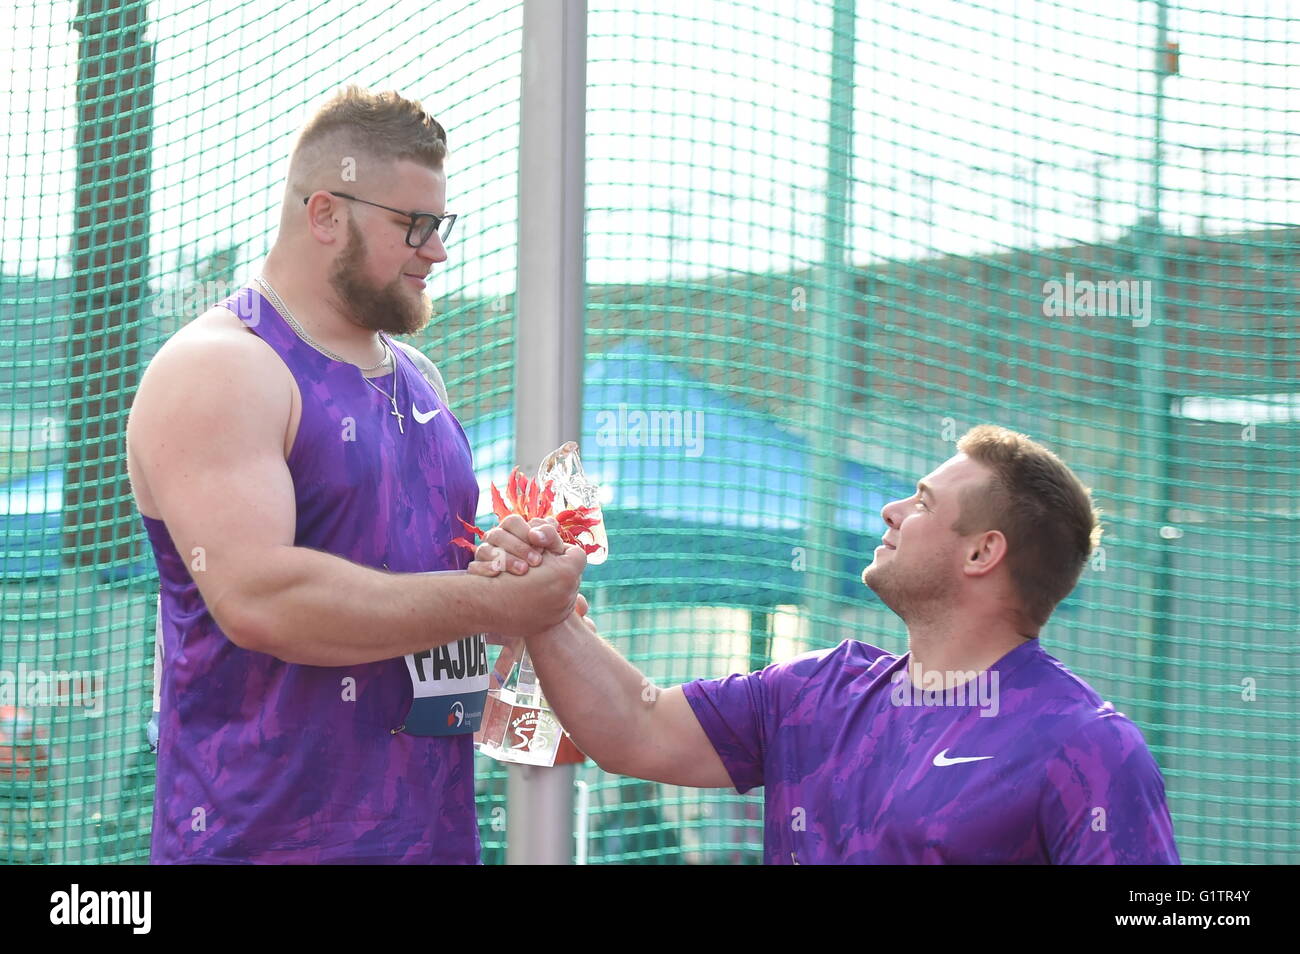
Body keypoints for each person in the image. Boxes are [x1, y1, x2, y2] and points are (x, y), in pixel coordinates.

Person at [125, 85, 585, 864]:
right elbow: (260, 601)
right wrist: (485, 598)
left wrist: (517, 614)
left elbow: (446, 654)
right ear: (326, 215)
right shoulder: (223, 368)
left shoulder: (423, 383)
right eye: (415, 226)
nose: (436, 251)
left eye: (441, 227)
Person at [473, 425, 1181, 864]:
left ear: (982, 554)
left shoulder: (1089, 747)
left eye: (925, 502)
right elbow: (636, 726)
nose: (892, 509)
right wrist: (548, 606)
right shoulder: (821, 692)